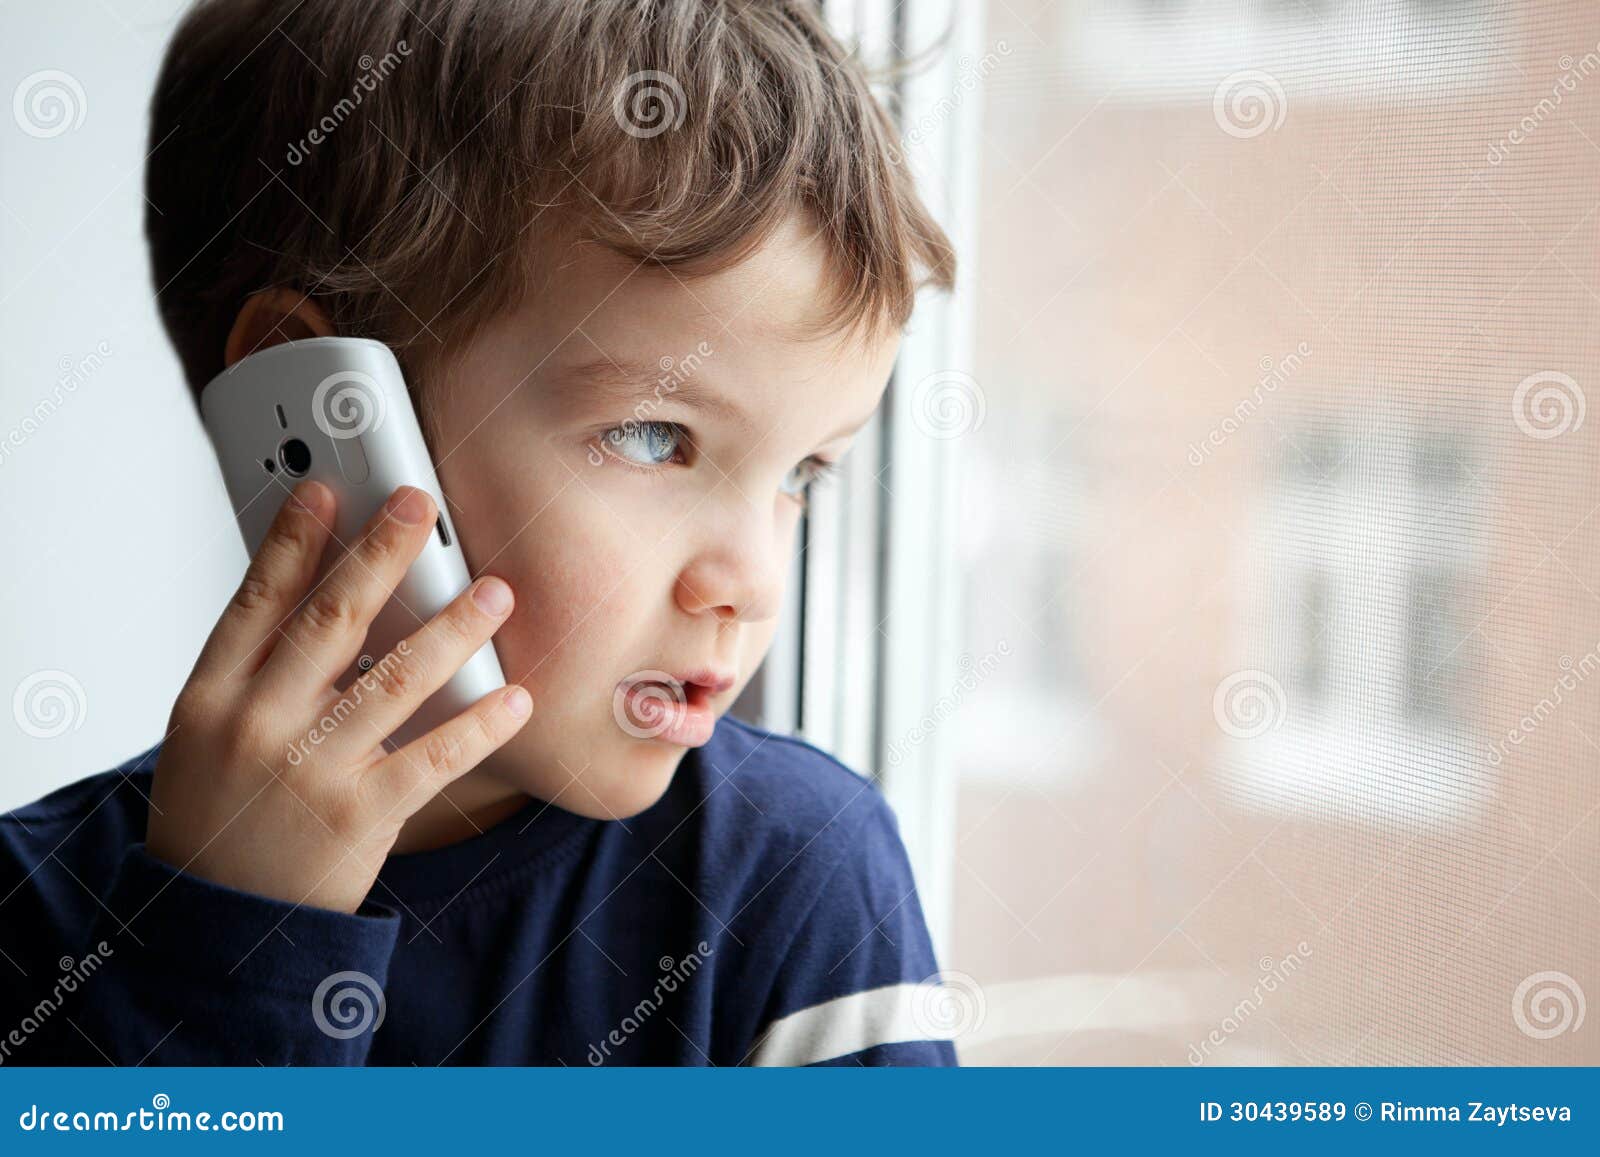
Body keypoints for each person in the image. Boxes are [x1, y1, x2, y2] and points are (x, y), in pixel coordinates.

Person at [0, 0, 958, 1066]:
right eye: (653, 437)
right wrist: (230, 952)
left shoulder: (794, 875)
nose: (749, 583)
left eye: (803, 471)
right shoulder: (39, 924)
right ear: (317, 410)